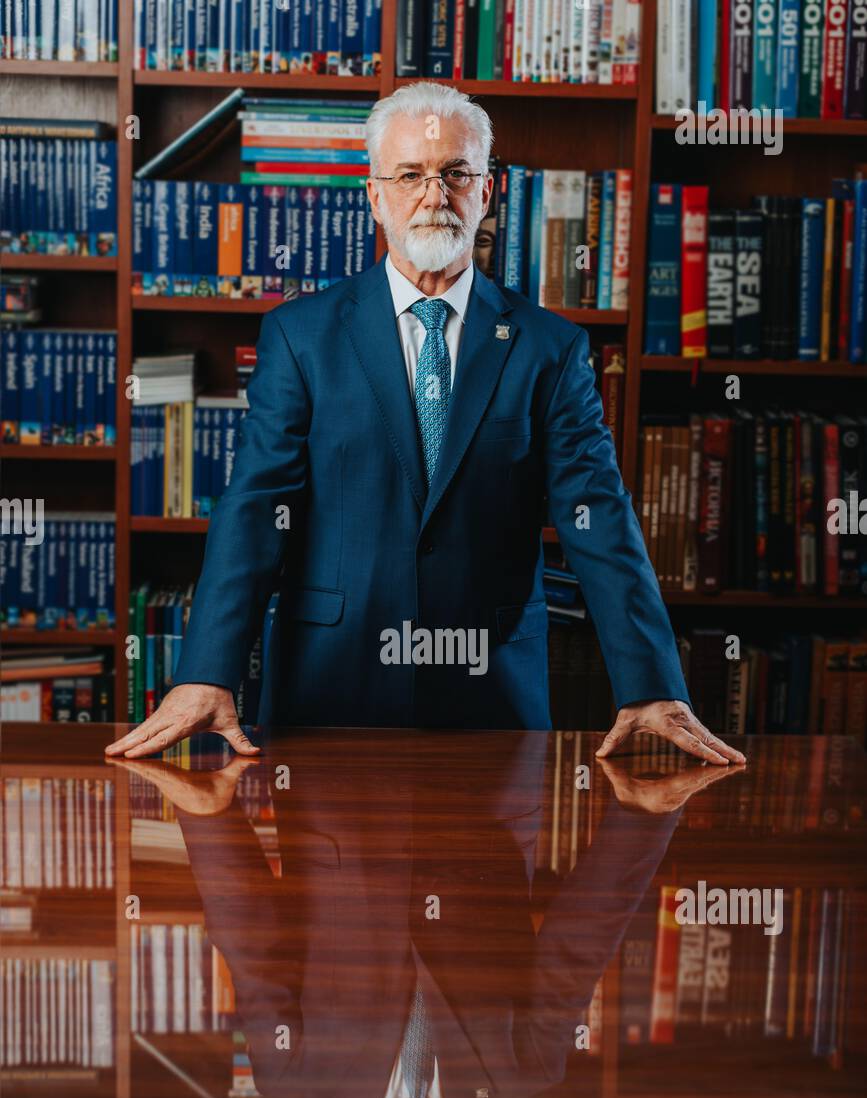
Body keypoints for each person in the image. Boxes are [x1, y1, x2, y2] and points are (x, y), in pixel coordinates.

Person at [105, 82, 744, 769]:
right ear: (375, 195)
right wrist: (207, 670)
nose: (434, 194)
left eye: (455, 174)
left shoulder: (549, 347)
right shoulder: (300, 335)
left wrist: (649, 681)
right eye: (409, 175)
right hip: (330, 692)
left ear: (486, 192)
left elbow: (598, 515)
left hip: (492, 696)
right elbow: (257, 508)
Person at [118, 734, 742, 1098]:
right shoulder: (529, 1070)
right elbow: (581, 942)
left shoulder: (290, 1072)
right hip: (485, 759)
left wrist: (207, 816)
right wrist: (644, 817)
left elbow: (251, 938)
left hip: (339, 764)